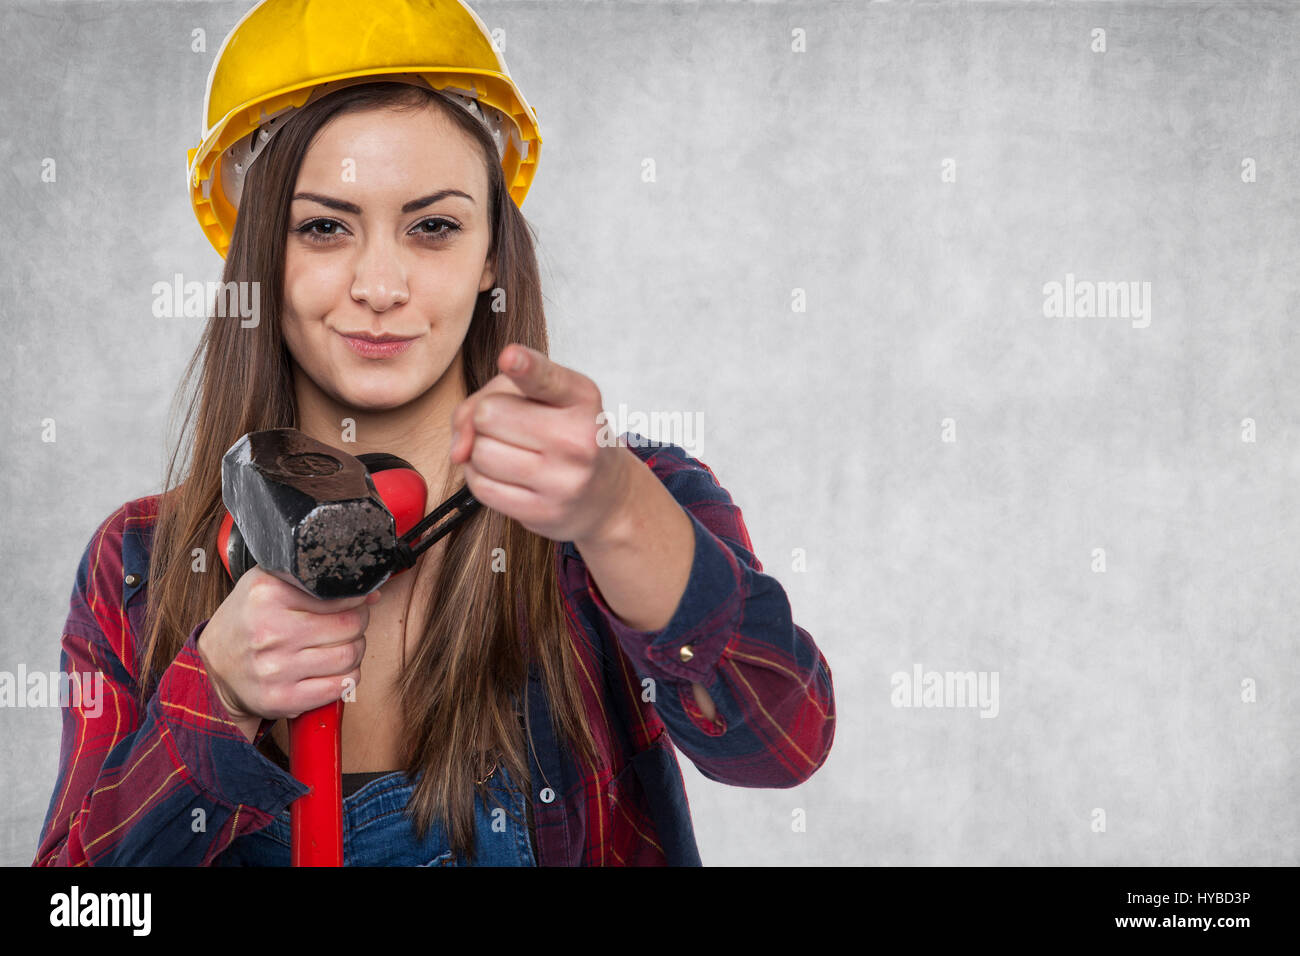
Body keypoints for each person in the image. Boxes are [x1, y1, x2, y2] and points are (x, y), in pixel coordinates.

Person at [33, 0, 835, 867]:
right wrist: (215, 696)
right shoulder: (140, 564)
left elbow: (781, 747)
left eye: (434, 227)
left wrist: (617, 517)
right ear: (262, 255)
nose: (381, 284)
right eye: (324, 227)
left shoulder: (628, 504)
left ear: (493, 251)